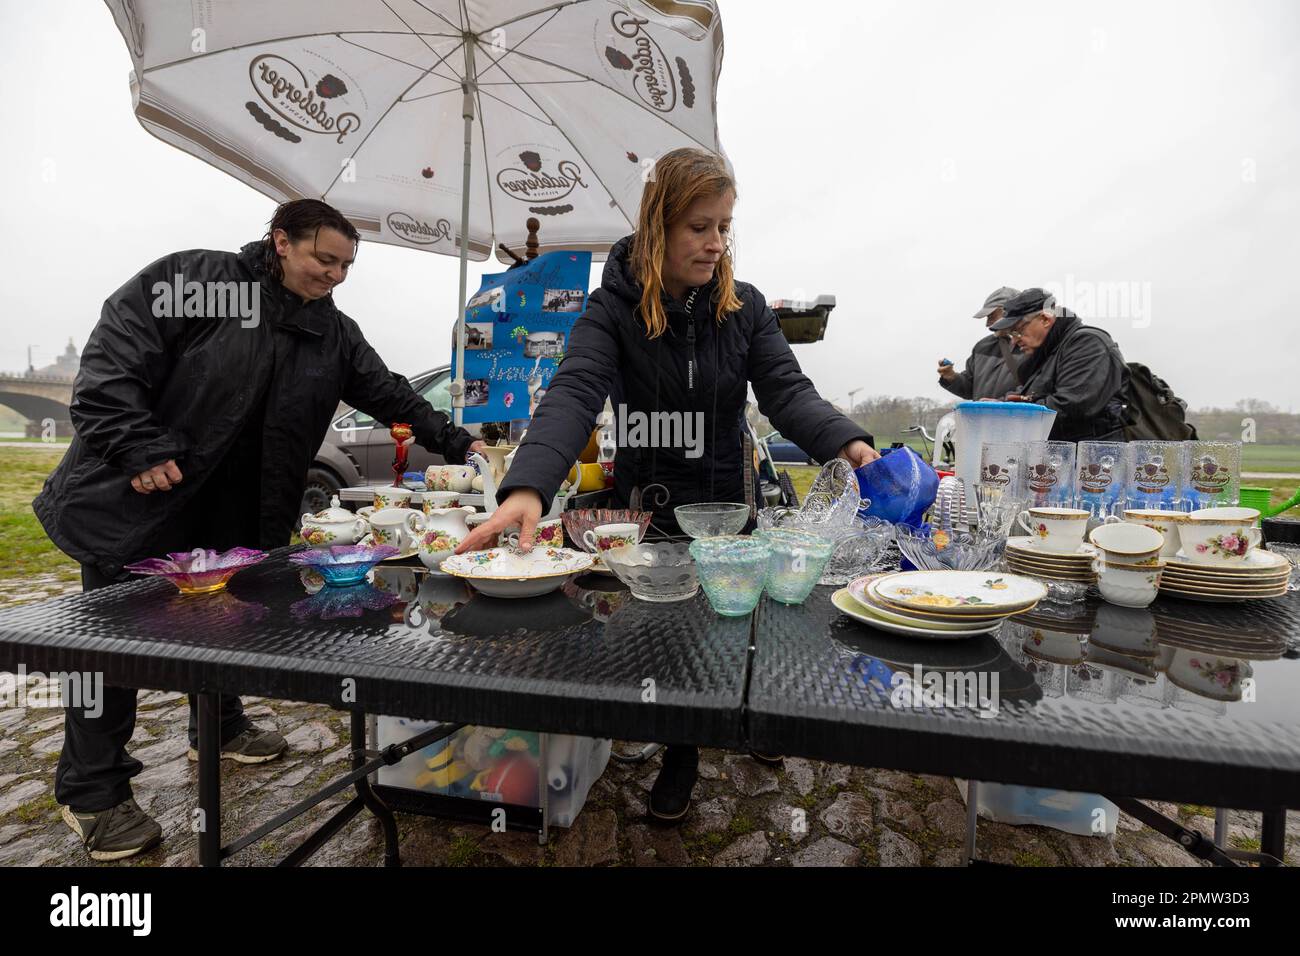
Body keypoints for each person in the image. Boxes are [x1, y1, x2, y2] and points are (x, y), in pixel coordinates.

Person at [34, 199, 484, 861]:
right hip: (138, 504)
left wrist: (458, 440)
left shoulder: (335, 334)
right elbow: (113, 356)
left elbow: (392, 393)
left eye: (346, 266)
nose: (334, 275)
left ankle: (220, 726)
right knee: (110, 657)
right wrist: (136, 442)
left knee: (229, 625)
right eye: (323, 259)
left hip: (231, 520)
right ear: (280, 241)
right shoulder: (202, 280)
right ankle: (91, 791)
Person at [456, 148, 879, 822]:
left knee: (734, 621)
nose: (716, 244)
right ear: (658, 226)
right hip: (648, 510)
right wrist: (529, 486)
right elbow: (574, 390)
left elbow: (787, 392)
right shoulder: (613, 307)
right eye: (699, 227)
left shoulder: (744, 310)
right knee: (667, 635)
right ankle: (682, 752)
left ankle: (751, 715)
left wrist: (849, 441)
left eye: (724, 227)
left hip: (724, 501)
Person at [989, 288, 1130, 441]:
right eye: (1010, 334)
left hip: (1094, 458)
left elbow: (1070, 406)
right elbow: (1030, 394)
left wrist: (1005, 413)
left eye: (1017, 331)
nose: (1014, 341)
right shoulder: (1048, 351)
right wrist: (1000, 404)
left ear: (1045, 319)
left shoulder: (1088, 344)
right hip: (1062, 456)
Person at [937, 286, 1022, 401]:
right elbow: (970, 389)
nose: (987, 324)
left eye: (991, 316)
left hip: (1020, 418)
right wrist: (952, 377)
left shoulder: (1037, 344)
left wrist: (1002, 404)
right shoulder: (982, 346)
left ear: (1008, 311)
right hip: (981, 418)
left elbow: (1039, 389)